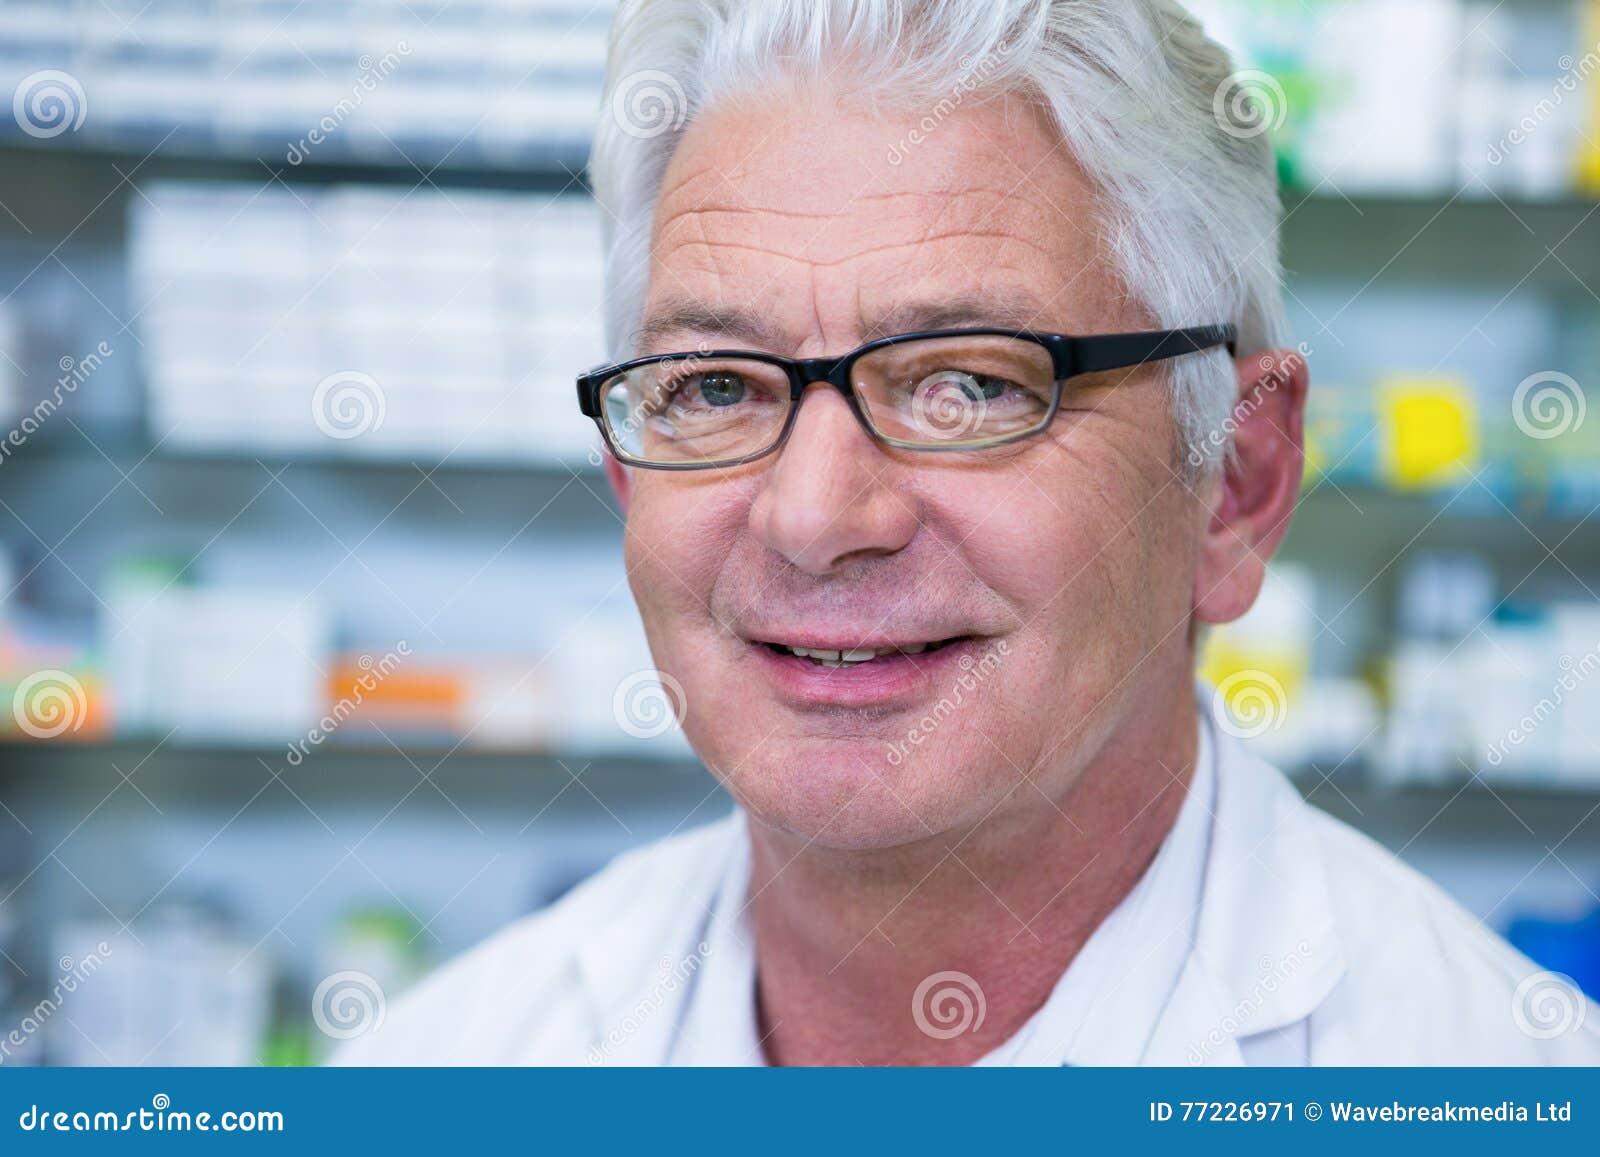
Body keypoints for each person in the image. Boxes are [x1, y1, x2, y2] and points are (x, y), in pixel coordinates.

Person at [336, 0, 1600, 1065]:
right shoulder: (444, 1063)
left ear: (1236, 481)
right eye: (715, 387)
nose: (816, 517)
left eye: (972, 384)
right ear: (627, 478)